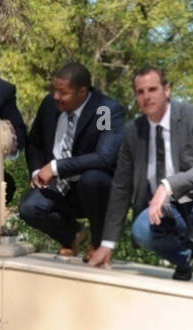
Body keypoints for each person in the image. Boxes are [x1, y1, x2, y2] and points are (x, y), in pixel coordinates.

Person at [86, 65, 193, 289]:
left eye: (152, 89)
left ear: (167, 90)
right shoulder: (132, 133)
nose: (146, 97)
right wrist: (107, 244)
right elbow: (121, 188)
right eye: (140, 92)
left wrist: (167, 185)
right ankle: (185, 257)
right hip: (166, 213)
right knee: (141, 229)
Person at [19, 62, 126, 257]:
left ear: (82, 91)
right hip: (56, 186)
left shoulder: (104, 110)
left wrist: (55, 167)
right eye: (55, 90)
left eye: (63, 93)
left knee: (92, 179)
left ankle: (97, 244)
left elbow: (104, 157)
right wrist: (37, 171)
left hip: (90, 188)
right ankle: (71, 236)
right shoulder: (50, 104)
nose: (56, 97)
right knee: (29, 208)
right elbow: (34, 142)